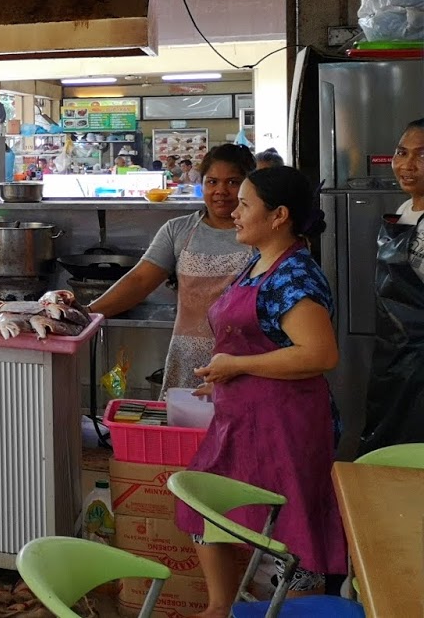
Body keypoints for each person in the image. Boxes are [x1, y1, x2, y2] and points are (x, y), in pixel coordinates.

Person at [177, 165, 344, 611]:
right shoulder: (259, 261)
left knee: (293, 532)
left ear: (278, 216)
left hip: (285, 425)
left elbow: (320, 354)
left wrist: (238, 365)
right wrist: (225, 376)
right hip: (243, 417)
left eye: (245, 202)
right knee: (206, 509)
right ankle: (223, 607)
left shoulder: (296, 276)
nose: (234, 209)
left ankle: (297, 609)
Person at [89, 144, 257, 393]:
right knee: (184, 429)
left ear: (248, 186)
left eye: (232, 182)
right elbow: (139, 281)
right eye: (212, 182)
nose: (221, 191)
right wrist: (87, 315)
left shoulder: (261, 233)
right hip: (186, 357)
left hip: (245, 360)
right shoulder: (178, 230)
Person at [359, 117, 424, 453]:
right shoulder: (404, 209)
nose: (407, 165)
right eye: (402, 153)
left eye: (422, 156)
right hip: (394, 356)